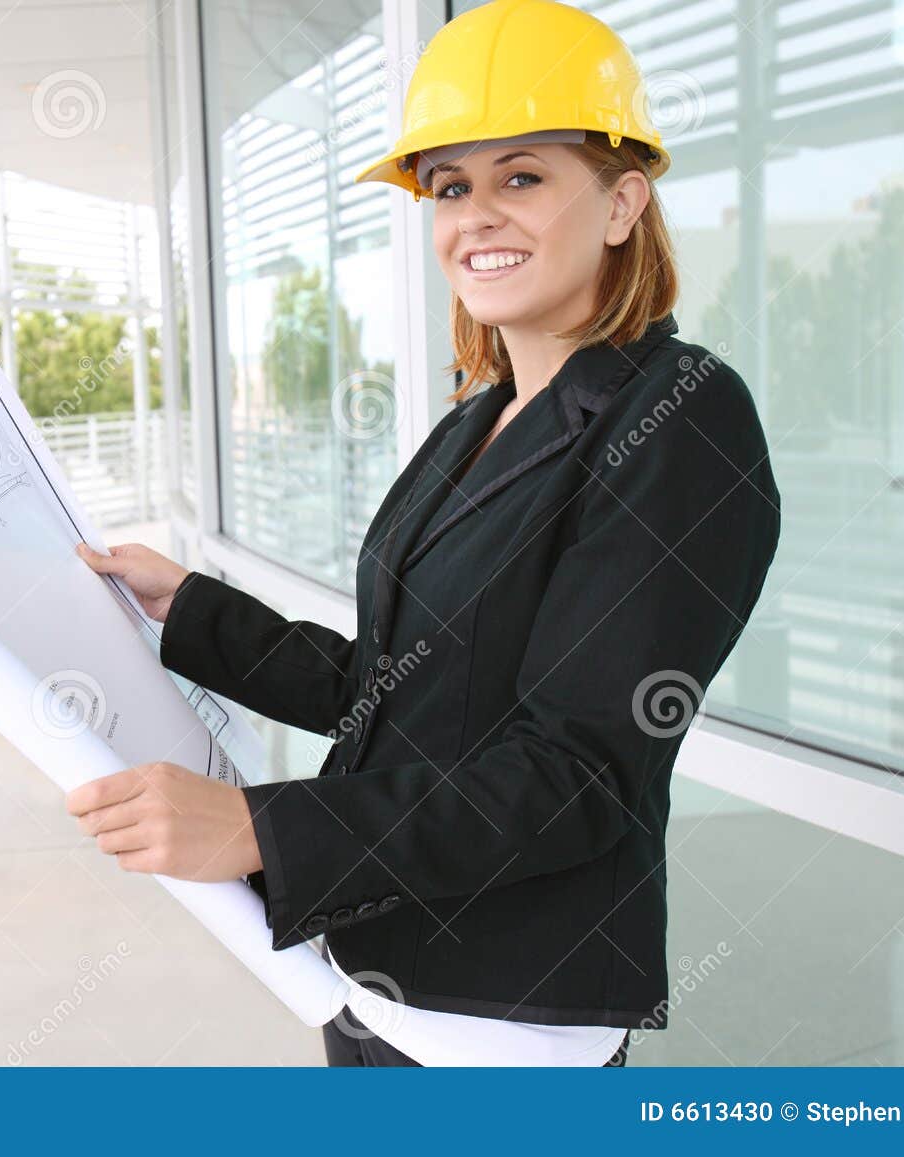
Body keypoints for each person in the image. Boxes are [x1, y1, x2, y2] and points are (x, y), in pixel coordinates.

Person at [64, 0, 781, 1067]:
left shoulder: (682, 419)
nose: (476, 215)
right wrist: (194, 612)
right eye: (451, 186)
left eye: (523, 176)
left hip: (503, 1018)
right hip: (374, 974)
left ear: (624, 202)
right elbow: (409, 684)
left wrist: (263, 826)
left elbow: (581, 772)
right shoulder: (476, 415)